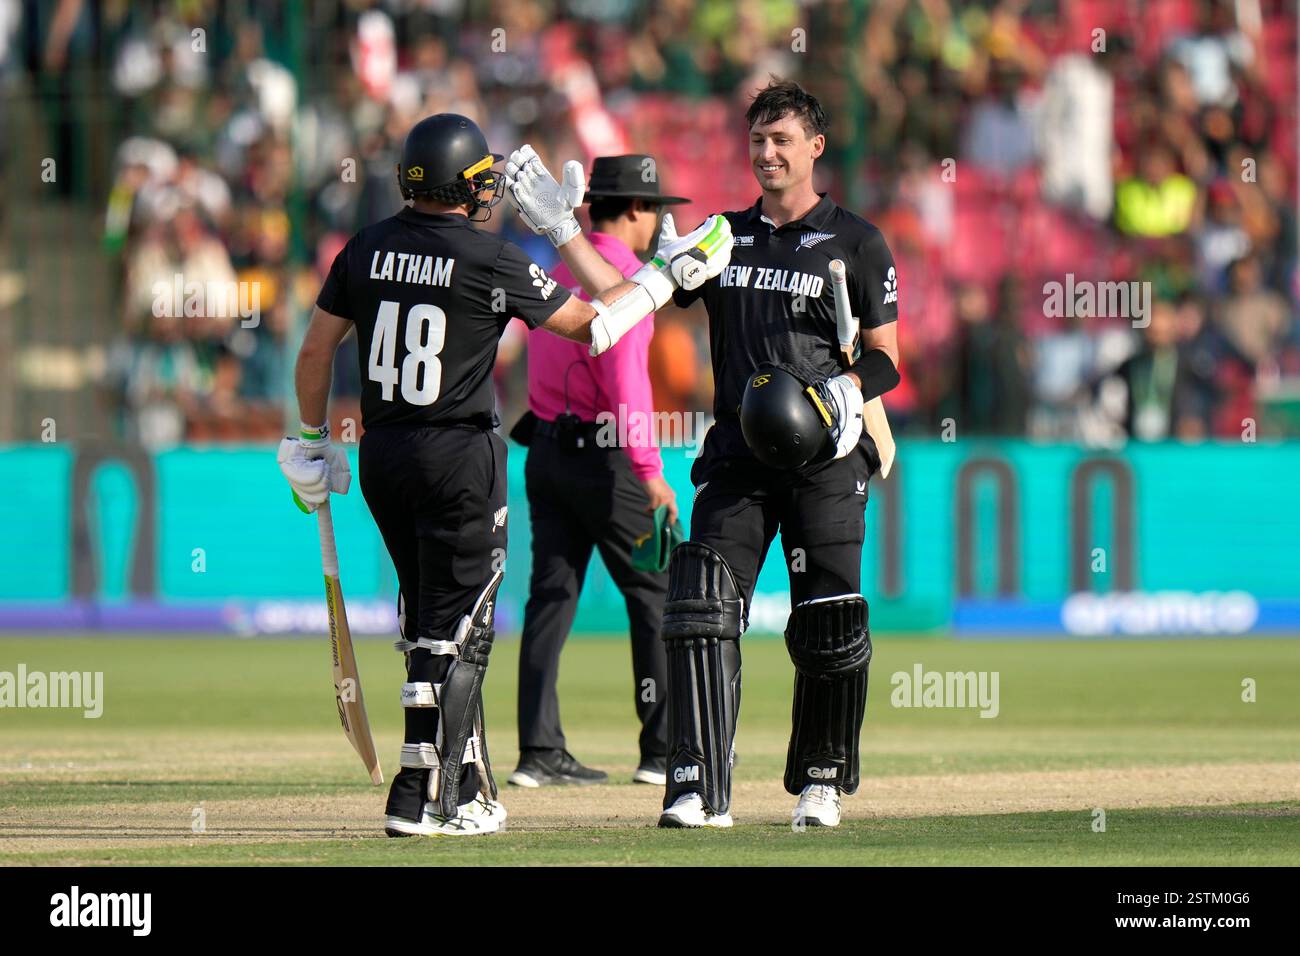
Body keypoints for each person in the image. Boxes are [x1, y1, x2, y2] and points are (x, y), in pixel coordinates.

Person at [277, 114, 733, 837]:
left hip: (383, 456)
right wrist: (664, 278)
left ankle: (457, 786)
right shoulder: (489, 258)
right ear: (465, 187)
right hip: (458, 457)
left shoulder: (363, 248)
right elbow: (594, 327)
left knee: (430, 622)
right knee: (462, 631)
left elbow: (313, 355)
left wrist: (306, 440)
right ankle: (422, 792)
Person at [505, 79, 900, 829]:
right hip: (737, 461)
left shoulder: (856, 241)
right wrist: (564, 234)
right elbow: (622, 305)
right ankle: (694, 783)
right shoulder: (720, 235)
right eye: (757, 141)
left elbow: (886, 360)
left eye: (782, 140)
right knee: (700, 611)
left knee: (828, 621)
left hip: (825, 459)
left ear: (815, 147)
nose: (767, 153)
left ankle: (821, 779)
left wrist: (844, 392)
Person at [510, 155, 689, 790]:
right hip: (609, 460)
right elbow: (627, 387)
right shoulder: (631, 279)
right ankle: (663, 749)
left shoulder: (558, 270)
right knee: (654, 593)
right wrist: (652, 474)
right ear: (636, 210)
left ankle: (538, 749)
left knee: (551, 597)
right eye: (658, 209)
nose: (661, 222)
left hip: (547, 451)